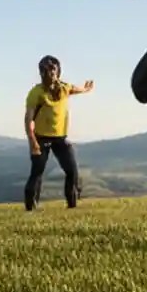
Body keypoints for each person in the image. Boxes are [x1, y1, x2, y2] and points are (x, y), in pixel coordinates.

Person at [23, 54, 94, 210]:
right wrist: (33, 142)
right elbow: (28, 120)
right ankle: (30, 208)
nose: (51, 73)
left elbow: (74, 89)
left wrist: (85, 89)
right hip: (41, 138)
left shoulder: (63, 88)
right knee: (37, 173)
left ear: (58, 71)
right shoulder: (36, 93)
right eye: (47, 70)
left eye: (53, 69)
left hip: (60, 138)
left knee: (72, 171)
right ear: (41, 73)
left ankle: (72, 205)